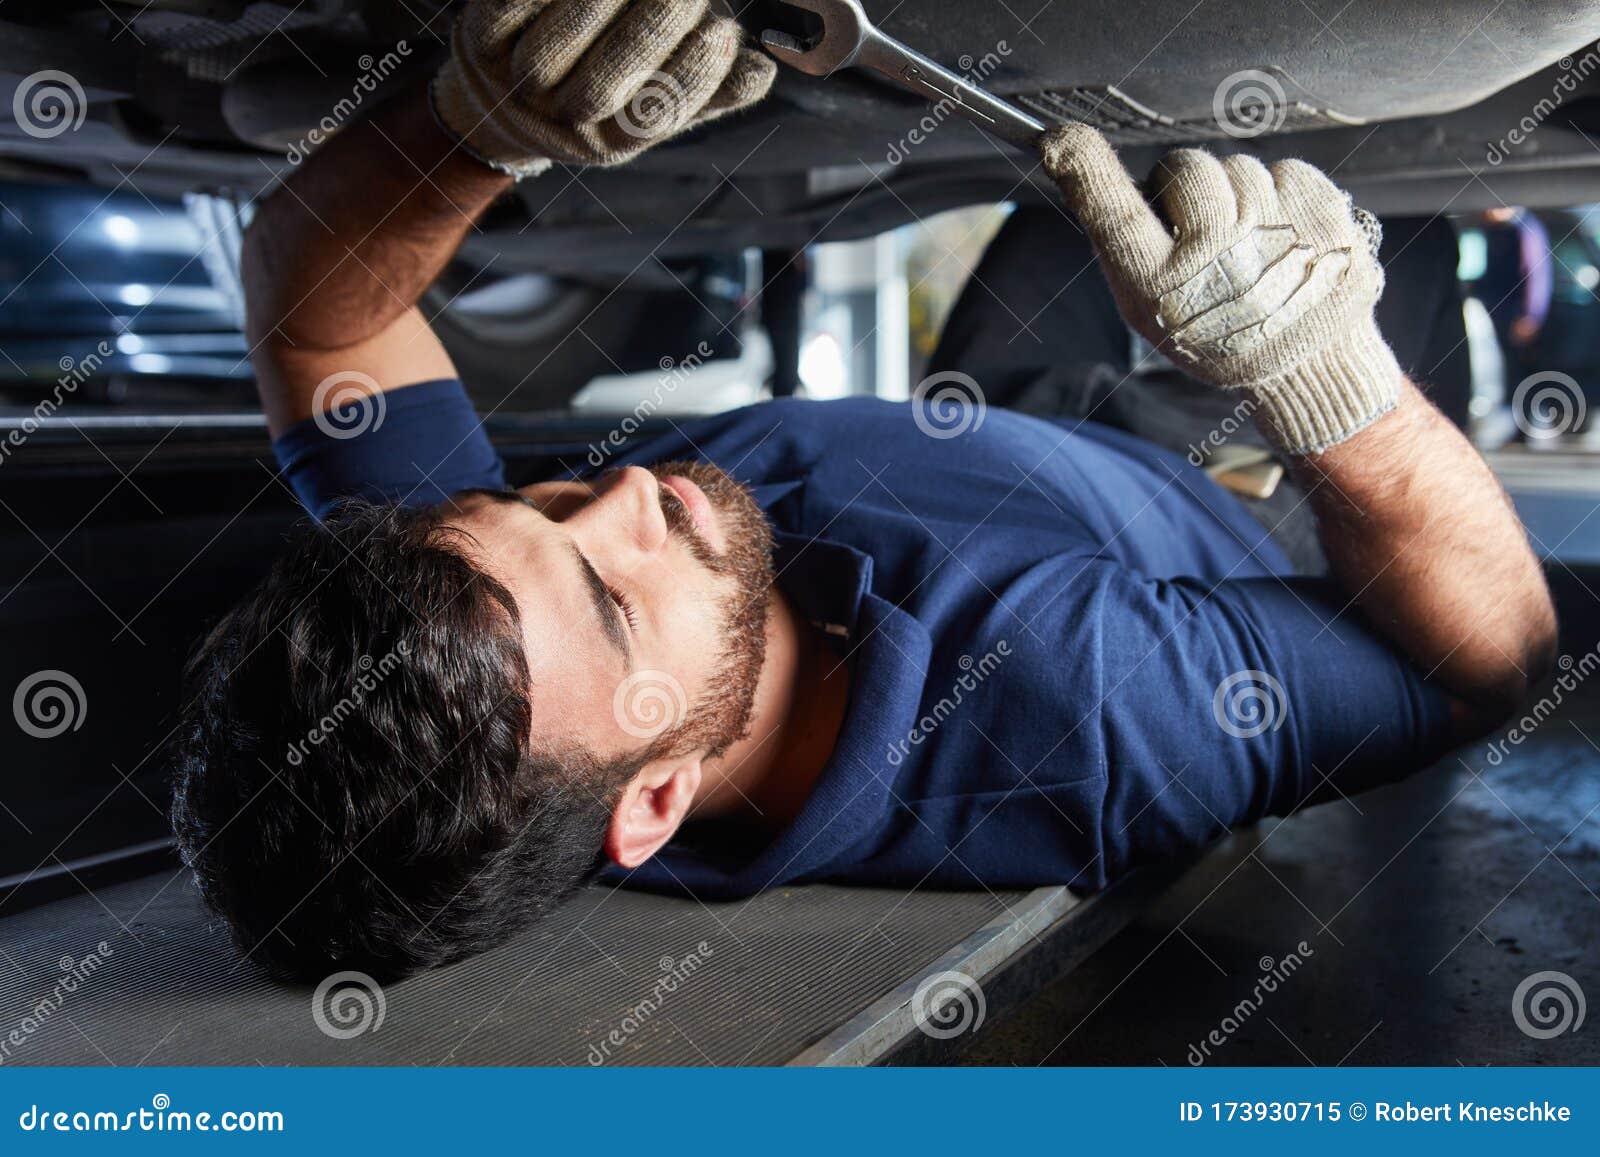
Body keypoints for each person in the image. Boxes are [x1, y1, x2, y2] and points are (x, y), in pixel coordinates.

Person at [170, 0, 1556, 979]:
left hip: (1006, 418)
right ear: (647, 806)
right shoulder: (1098, 718)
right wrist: (1319, 375)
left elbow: (318, 322)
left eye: (534, 502)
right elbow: (1495, 664)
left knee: (1103, 162)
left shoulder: (477, 633)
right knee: (1397, 179)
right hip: (1256, 484)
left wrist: (473, 122)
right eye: (604, 588)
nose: (619, 494)